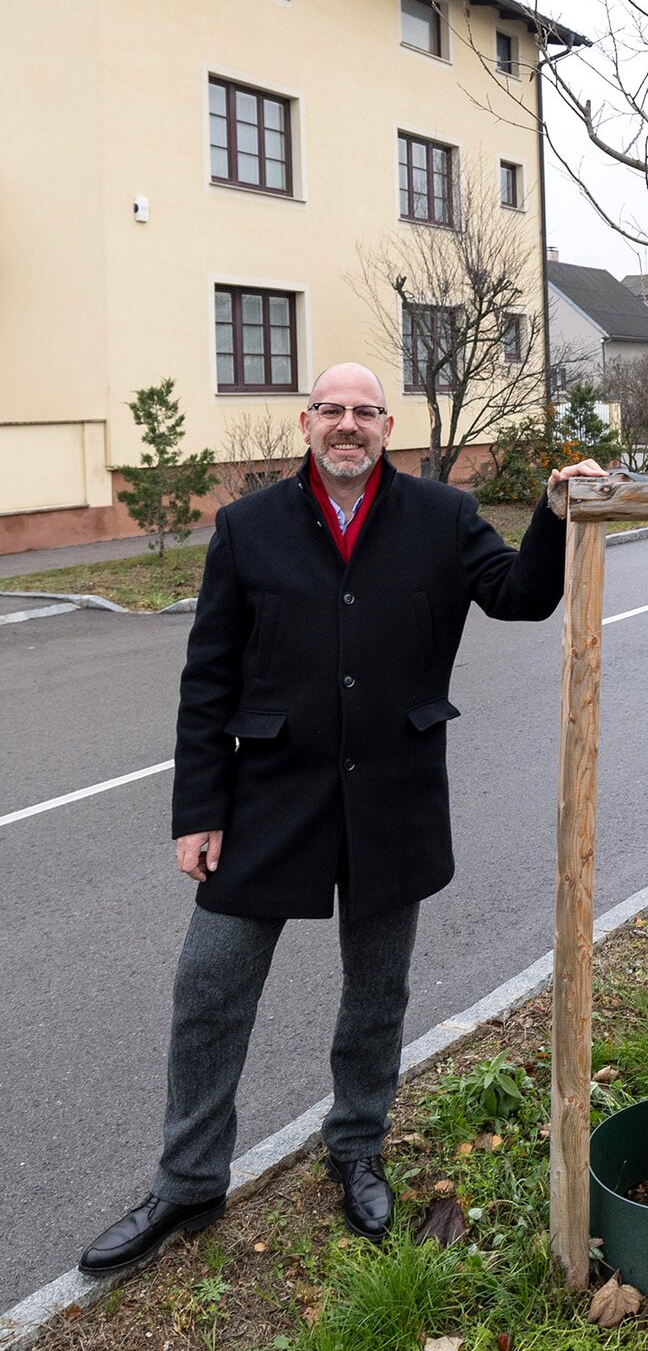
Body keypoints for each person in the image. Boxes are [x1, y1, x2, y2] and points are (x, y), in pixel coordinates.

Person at [81, 363, 605, 1274]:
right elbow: (208, 679)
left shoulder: (442, 517)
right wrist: (198, 808)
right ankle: (188, 1180)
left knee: (377, 993)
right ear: (306, 422)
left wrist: (555, 516)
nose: (349, 425)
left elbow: (523, 595)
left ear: (387, 425)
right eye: (333, 410)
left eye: (365, 412)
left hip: (392, 794)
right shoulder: (248, 530)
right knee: (209, 987)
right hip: (269, 799)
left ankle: (356, 1144)